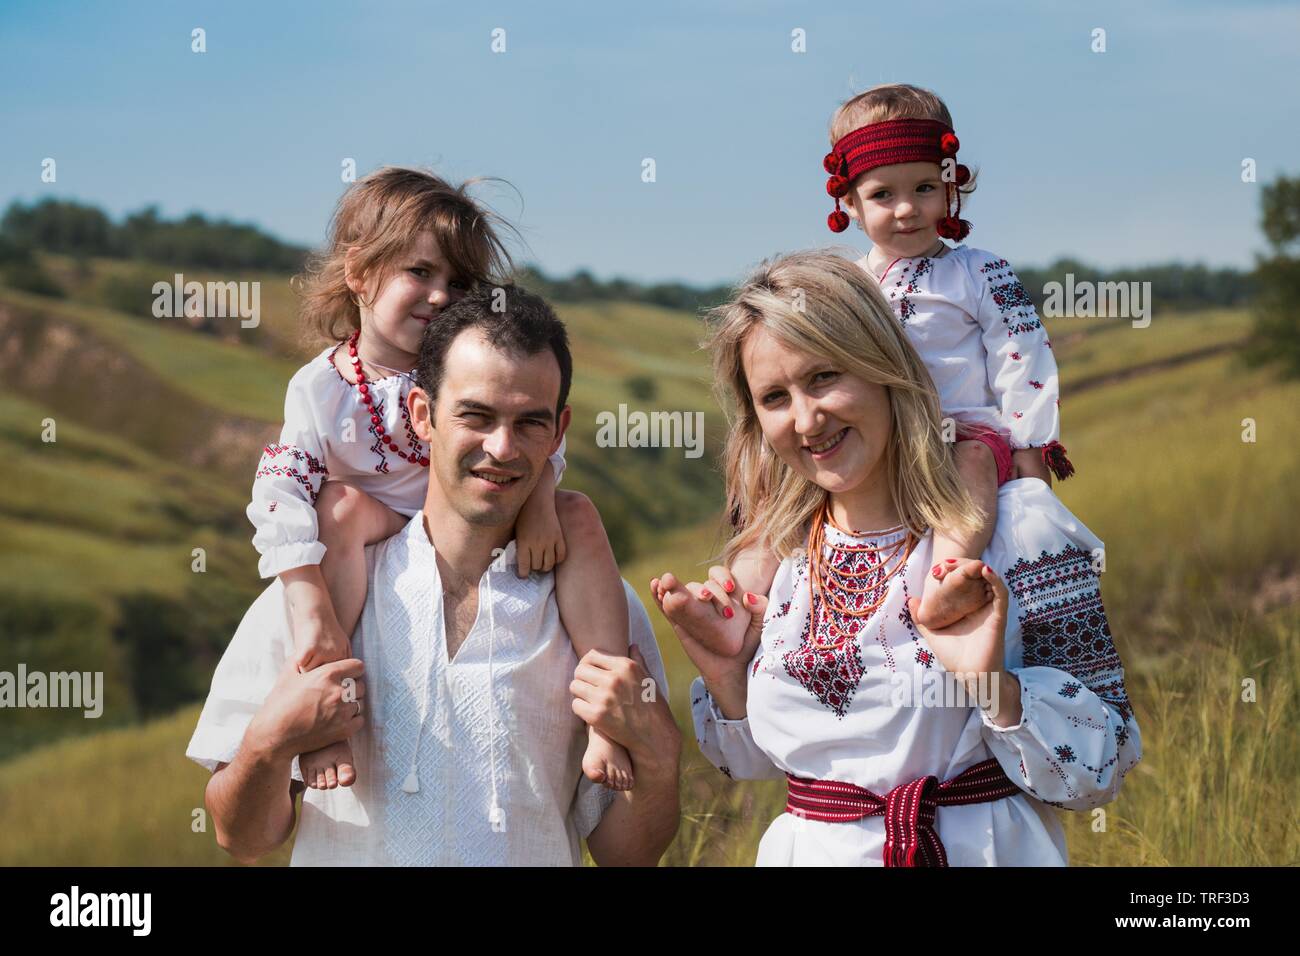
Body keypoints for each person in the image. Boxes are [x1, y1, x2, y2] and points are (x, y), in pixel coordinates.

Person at [651, 251, 1140, 866]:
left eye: (824, 376)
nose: (806, 418)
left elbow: (1105, 764)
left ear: (885, 366)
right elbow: (749, 763)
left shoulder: (1019, 527)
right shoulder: (781, 555)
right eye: (775, 397)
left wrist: (992, 685)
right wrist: (726, 676)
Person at [187, 285, 681, 866]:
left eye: (530, 423)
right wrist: (269, 745)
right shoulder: (314, 596)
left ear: (559, 431)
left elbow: (628, 855)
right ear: (422, 414)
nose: (502, 447)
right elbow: (239, 837)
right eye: (475, 414)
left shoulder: (598, 605)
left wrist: (658, 755)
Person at [246, 166, 635, 792]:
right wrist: (304, 593)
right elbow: (281, 489)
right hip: (374, 525)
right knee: (338, 506)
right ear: (359, 272)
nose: (438, 296)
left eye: (457, 282)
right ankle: (326, 717)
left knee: (579, 514)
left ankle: (609, 714)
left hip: (473, 521)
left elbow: (527, 446)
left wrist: (538, 503)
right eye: (419, 272)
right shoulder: (320, 387)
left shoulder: (466, 370)